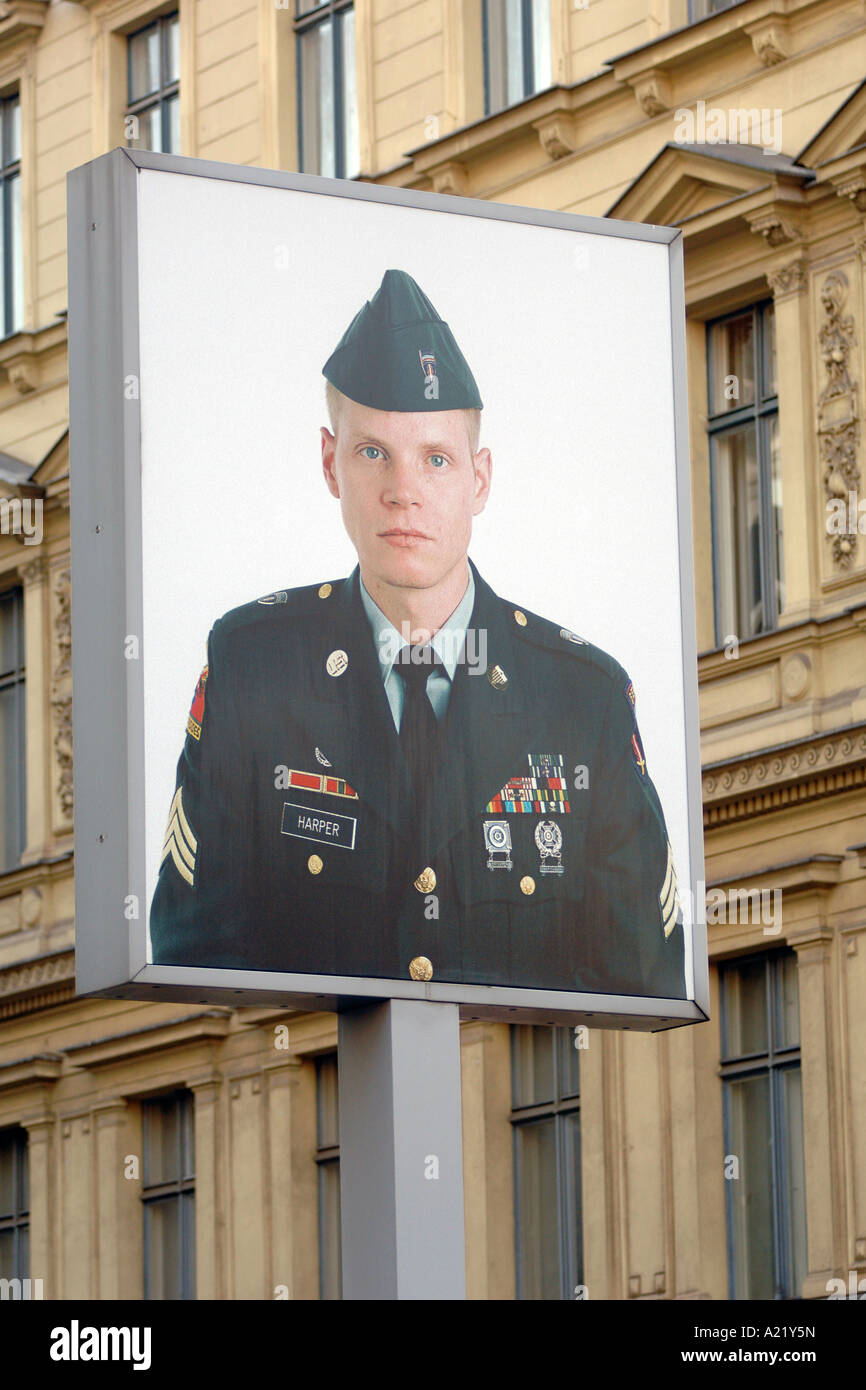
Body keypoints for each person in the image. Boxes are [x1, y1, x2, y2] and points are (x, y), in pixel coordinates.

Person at [150, 269, 686, 998]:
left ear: (480, 479)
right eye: (373, 451)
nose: (403, 489)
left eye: (435, 458)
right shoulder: (254, 669)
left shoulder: (580, 699)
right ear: (328, 462)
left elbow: (643, 981)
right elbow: (196, 961)